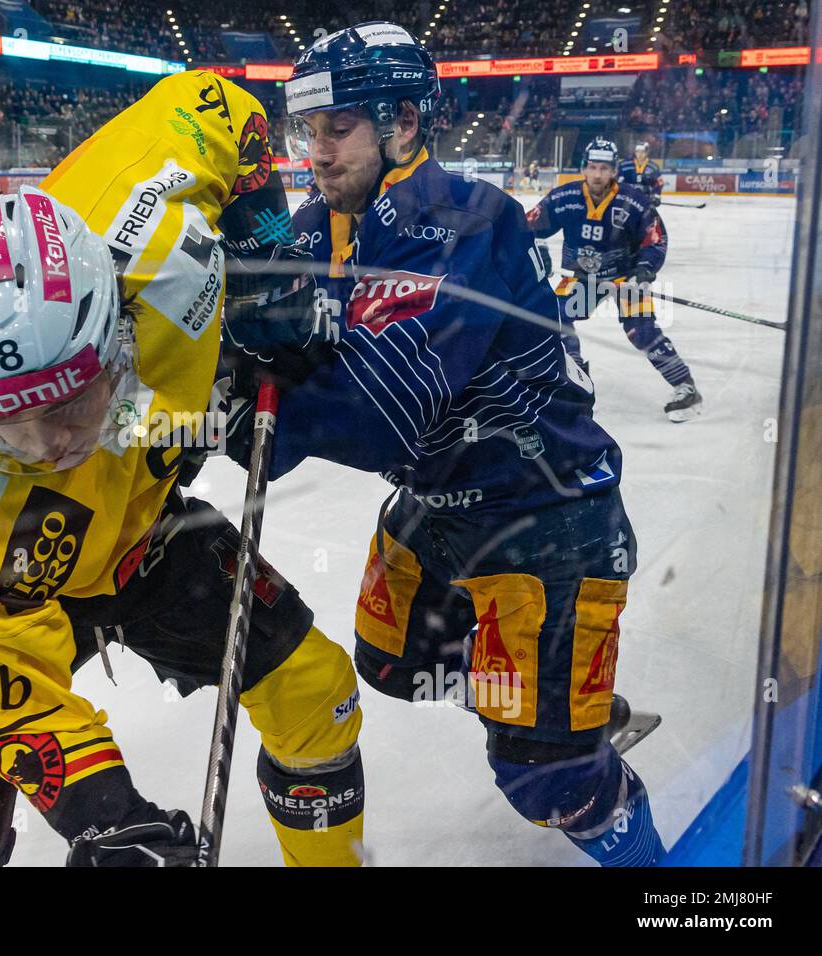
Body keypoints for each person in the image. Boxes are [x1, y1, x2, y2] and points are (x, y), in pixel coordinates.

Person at [0, 69, 364, 867]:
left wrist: (266, 263)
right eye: (4, 423)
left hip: (140, 536)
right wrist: (107, 819)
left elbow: (222, 104)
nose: (47, 443)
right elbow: (15, 705)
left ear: (116, 328)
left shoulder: (144, 222)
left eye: (68, 402)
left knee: (314, 690)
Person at [224, 22, 666, 866]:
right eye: (305, 128)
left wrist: (232, 397)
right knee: (393, 659)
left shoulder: (465, 223)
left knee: (550, 782)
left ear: (403, 124)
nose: (313, 151)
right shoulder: (324, 224)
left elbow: (369, 410)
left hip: (547, 512)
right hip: (440, 495)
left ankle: (642, 839)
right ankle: (550, 699)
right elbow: (246, 300)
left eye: (336, 127)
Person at [529, 137, 702, 422]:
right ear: (584, 168)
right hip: (581, 279)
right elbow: (526, 227)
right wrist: (537, 248)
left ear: (614, 171)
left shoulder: (633, 201)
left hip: (625, 280)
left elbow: (655, 240)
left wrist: (644, 270)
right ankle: (576, 379)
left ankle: (685, 386)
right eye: (593, 167)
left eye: (604, 168)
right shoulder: (564, 198)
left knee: (641, 331)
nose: (598, 174)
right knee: (556, 319)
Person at [618, 141, 663, 207]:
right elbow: (618, 181)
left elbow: (659, 183)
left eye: (642, 152)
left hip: (646, 198)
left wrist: (656, 195)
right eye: (638, 151)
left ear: (647, 153)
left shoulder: (654, 167)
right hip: (627, 198)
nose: (640, 154)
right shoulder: (624, 165)